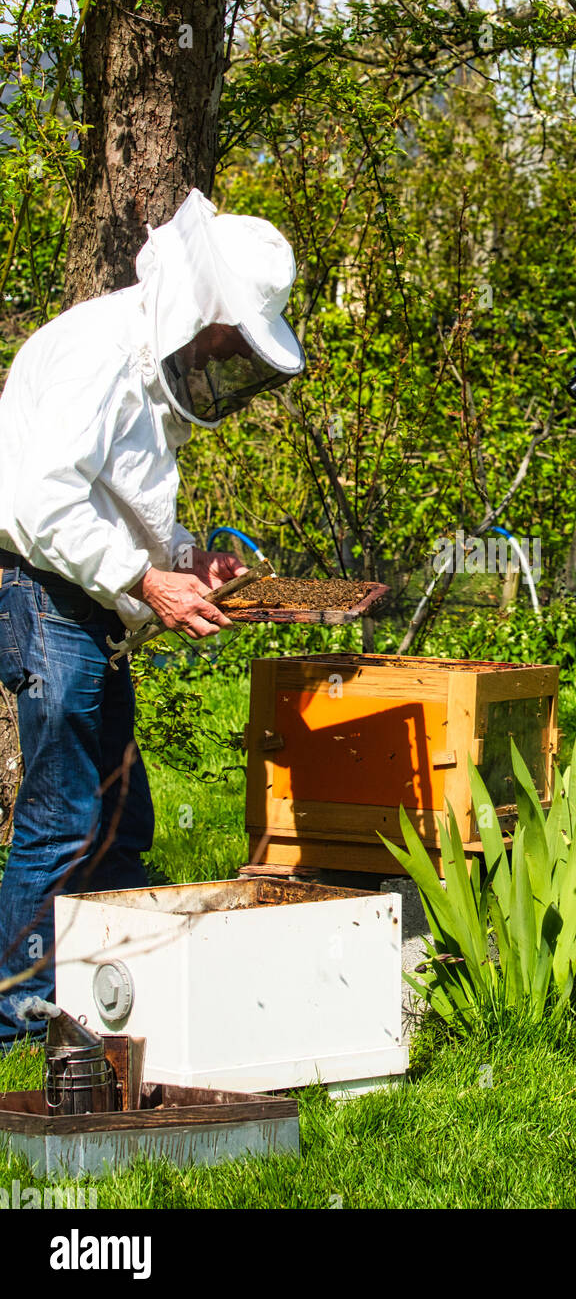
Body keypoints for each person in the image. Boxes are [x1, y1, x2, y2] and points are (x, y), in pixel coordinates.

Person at [0, 188, 306, 1047]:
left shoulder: (143, 367)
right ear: (199, 312)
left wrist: (183, 564)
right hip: (40, 590)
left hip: (86, 600)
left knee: (120, 815)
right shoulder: (98, 352)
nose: (224, 359)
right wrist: (148, 578)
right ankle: (17, 1011)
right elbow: (45, 500)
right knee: (65, 813)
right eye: (225, 341)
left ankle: (109, 976)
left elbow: (121, 497)